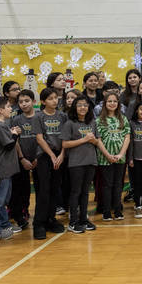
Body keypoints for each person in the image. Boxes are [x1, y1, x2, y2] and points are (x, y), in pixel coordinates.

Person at [31, 88, 67, 240]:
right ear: (43, 102)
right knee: (44, 190)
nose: (54, 100)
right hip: (45, 156)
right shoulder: (38, 117)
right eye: (50, 98)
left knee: (55, 189)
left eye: (55, 97)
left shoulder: (62, 116)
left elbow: (66, 137)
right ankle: (39, 223)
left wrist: (62, 155)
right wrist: (52, 155)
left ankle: (51, 219)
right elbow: (39, 138)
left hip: (60, 155)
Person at [61, 96, 99, 233]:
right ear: (75, 108)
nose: (83, 107)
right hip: (76, 162)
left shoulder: (93, 122)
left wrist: (93, 140)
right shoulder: (70, 123)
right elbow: (65, 143)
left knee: (85, 192)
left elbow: (97, 141)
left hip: (91, 161)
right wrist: (84, 139)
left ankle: (84, 219)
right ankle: (73, 222)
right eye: (79, 105)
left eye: (85, 105)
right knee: (75, 191)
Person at [0, 96, 21, 241]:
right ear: (0, 110)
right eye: (8, 106)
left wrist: (12, 133)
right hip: (2, 169)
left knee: (4, 199)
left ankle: (4, 224)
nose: (11, 108)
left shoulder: (2, 125)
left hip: (7, 168)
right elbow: (8, 145)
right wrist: (14, 135)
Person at [96, 91, 130, 221]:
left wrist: (121, 154)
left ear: (118, 104)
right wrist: (108, 155)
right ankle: (106, 212)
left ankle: (117, 210)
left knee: (118, 184)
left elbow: (127, 137)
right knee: (107, 184)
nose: (112, 103)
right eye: (109, 101)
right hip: (105, 157)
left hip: (120, 157)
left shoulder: (123, 118)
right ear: (105, 103)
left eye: (115, 101)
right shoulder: (99, 120)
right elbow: (98, 140)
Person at [8, 90, 39, 230]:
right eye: (20, 102)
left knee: (41, 186)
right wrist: (22, 158)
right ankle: (23, 210)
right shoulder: (16, 120)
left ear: (33, 101)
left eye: (27, 101)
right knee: (23, 187)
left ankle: (42, 212)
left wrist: (39, 157)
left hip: (39, 158)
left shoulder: (40, 117)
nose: (24, 104)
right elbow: (16, 141)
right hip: (22, 159)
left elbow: (43, 139)